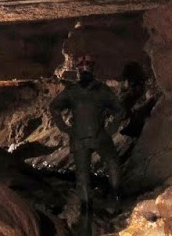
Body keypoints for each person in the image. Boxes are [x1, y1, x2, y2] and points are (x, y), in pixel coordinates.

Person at [49, 58, 123, 211]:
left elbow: (54, 107)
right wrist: (111, 128)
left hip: (81, 137)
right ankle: (115, 198)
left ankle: (87, 207)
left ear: (78, 73)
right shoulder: (100, 90)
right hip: (98, 135)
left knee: (83, 174)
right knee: (111, 164)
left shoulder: (73, 91)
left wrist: (65, 128)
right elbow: (118, 110)